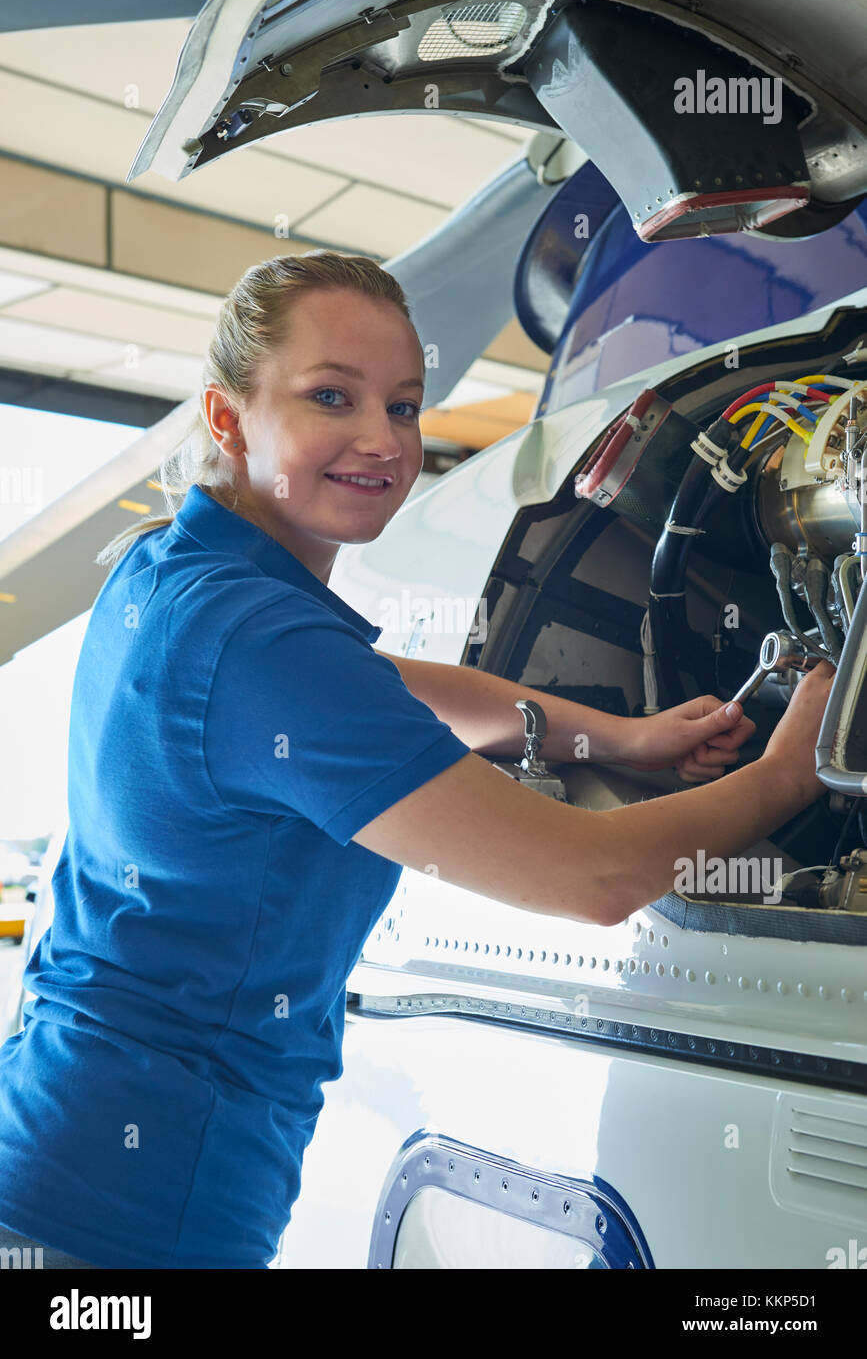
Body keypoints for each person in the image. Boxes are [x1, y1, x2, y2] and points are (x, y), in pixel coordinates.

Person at [0, 251, 833, 1270]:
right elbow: (591, 875)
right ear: (227, 418)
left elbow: (381, 685)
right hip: (124, 1215)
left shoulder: (176, 574)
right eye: (330, 398)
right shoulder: (264, 649)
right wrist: (792, 771)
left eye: (402, 405)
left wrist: (617, 736)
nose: (380, 440)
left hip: (50, 1151)